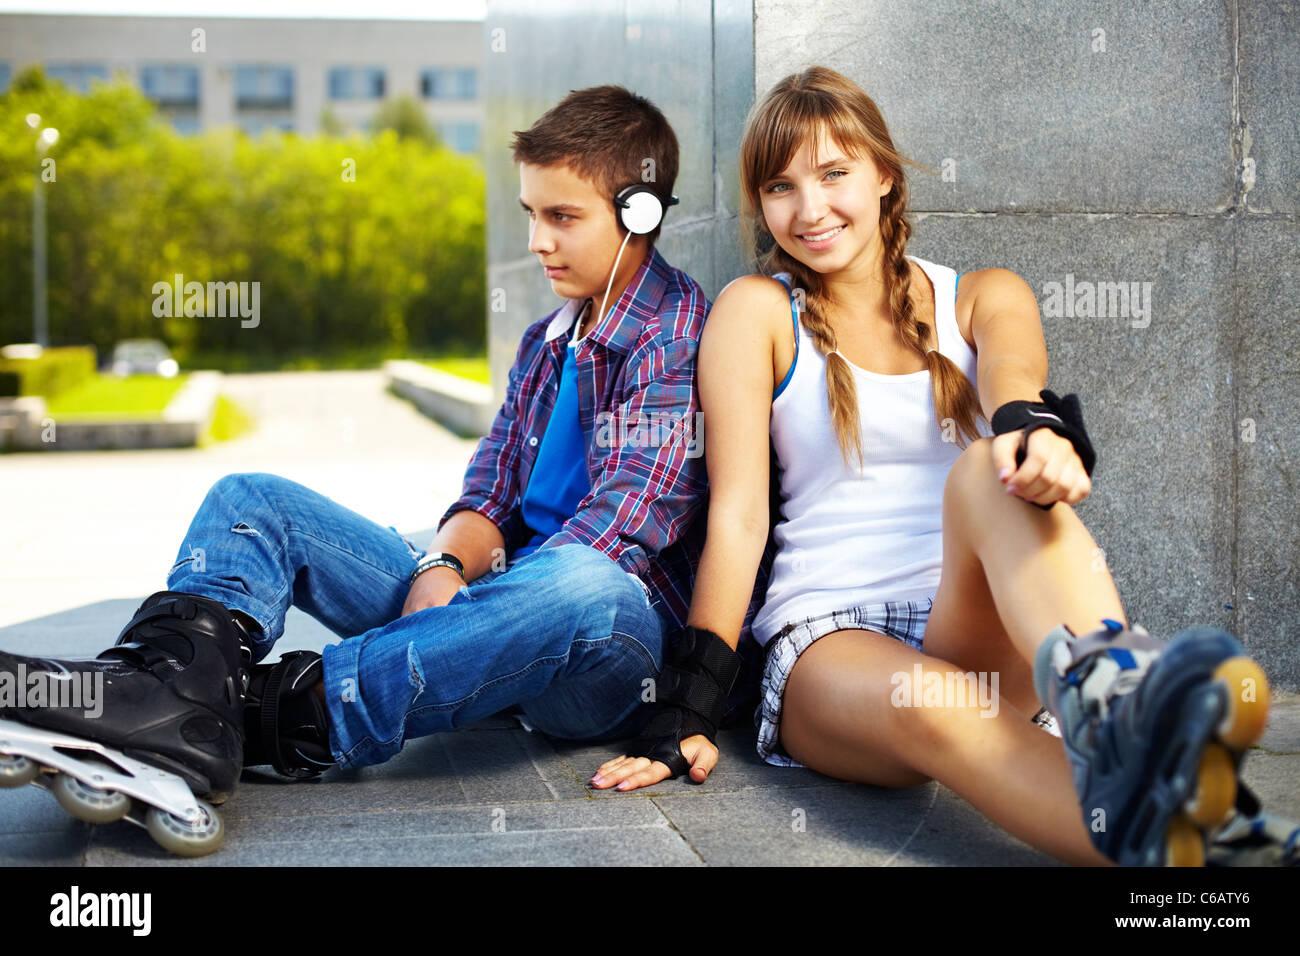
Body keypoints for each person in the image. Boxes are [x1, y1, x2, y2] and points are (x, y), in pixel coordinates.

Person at [593, 66, 1292, 868]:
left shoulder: (982, 295)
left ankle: (1120, 703)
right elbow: (740, 515)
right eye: (781, 186)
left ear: (884, 174)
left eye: (833, 173)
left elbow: (1014, 379)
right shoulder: (756, 312)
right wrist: (689, 701)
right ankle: (1200, 846)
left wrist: (1037, 436)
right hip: (833, 641)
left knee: (989, 463)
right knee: (942, 704)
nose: (810, 209)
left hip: (982, 617)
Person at [0, 85, 712, 842]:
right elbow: (491, 488)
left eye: (562, 217)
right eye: (532, 214)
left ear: (639, 213)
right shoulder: (546, 341)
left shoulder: (673, 331)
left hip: (596, 648)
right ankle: (172, 682)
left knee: (584, 582)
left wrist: (472, 615)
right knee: (252, 498)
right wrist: (442, 566)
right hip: (485, 609)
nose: (537, 240)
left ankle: (263, 717)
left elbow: (623, 528)